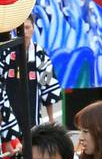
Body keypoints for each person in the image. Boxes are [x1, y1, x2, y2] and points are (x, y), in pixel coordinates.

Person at [0, 16, 60, 149]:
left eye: (27, 28)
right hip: (10, 111)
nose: (24, 32)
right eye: (21, 29)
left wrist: (51, 120)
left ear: (33, 28)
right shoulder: (7, 52)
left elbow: (48, 86)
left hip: (32, 113)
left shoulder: (40, 54)